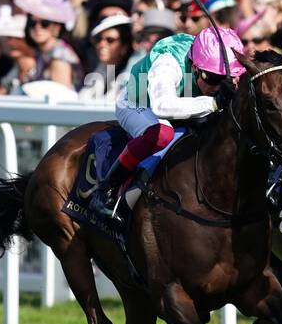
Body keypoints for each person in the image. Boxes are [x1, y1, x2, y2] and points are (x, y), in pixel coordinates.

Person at [90, 25, 242, 217]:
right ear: (195, 67)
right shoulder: (168, 63)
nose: (218, 86)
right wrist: (214, 102)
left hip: (181, 102)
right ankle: (107, 191)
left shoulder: (211, 66)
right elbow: (162, 106)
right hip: (139, 103)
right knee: (161, 133)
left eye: (227, 79)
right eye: (212, 78)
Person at [81, 14, 139, 103]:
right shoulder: (100, 70)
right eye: (98, 39)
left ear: (125, 46)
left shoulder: (134, 75)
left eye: (110, 40)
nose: (101, 45)